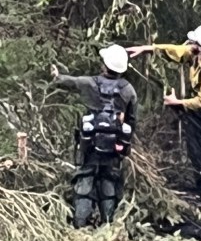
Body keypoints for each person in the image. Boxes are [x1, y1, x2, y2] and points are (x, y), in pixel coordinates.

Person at [127, 24, 201, 181]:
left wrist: (178, 102)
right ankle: (200, 182)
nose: (190, 45)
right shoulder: (194, 55)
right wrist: (147, 49)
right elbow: (173, 50)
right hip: (193, 110)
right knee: (193, 149)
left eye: (194, 43)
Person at [50, 44, 137, 227]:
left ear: (105, 64)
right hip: (115, 146)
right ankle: (108, 224)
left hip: (89, 142)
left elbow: (68, 82)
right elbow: (132, 120)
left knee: (85, 177)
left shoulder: (89, 83)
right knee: (109, 179)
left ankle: (80, 224)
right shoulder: (129, 90)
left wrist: (56, 75)